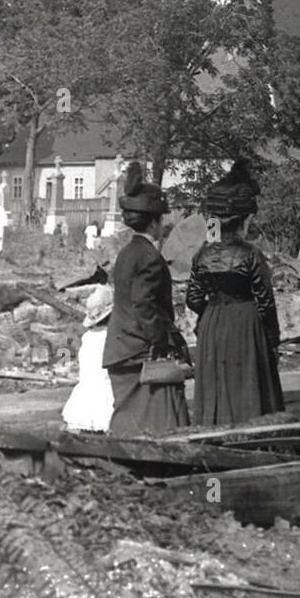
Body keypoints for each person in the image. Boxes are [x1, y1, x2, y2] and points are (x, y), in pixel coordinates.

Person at [187, 159, 285, 425]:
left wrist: (213, 314)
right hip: (245, 324)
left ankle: (213, 433)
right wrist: (273, 340)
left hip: (211, 325)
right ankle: (256, 436)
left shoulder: (201, 255)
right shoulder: (251, 255)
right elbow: (266, 304)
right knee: (249, 385)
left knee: (216, 385)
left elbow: (193, 298)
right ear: (245, 219)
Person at [100, 162, 191, 437]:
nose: (162, 227)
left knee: (129, 416)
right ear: (154, 222)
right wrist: (164, 342)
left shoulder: (127, 253)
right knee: (157, 418)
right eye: (161, 221)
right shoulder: (150, 258)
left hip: (121, 344)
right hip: (138, 350)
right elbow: (144, 306)